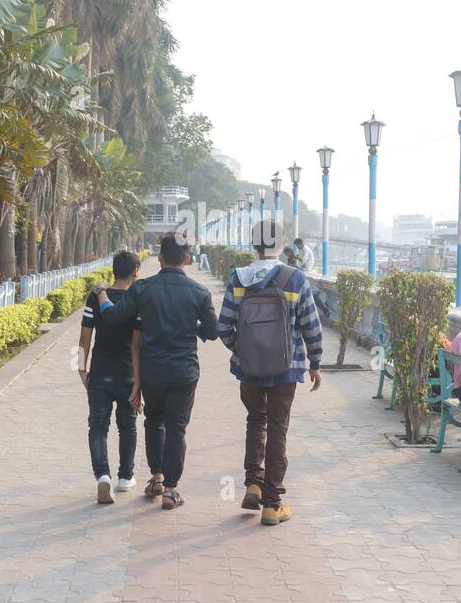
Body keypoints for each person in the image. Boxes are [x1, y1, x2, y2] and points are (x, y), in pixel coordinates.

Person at [94, 232, 218, 510]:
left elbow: (113, 316)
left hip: (153, 371)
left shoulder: (143, 289)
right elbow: (212, 332)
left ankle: (157, 478)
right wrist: (190, 325)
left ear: (160, 258)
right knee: (177, 428)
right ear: (187, 259)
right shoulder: (200, 292)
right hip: (184, 372)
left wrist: (101, 294)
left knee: (153, 421)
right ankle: (171, 491)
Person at [217, 219, 323, 527]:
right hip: (286, 369)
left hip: (248, 370)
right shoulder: (295, 278)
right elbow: (311, 326)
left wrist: (244, 349)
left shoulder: (238, 278)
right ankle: (272, 504)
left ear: (254, 244)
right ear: (282, 244)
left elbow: (223, 326)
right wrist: (315, 363)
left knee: (255, 421)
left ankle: (253, 483)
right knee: (278, 430)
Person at [79, 250, 142, 504]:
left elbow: (84, 337)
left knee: (98, 427)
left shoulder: (95, 297)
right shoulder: (137, 300)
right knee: (127, 426)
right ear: (136, 271)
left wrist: (82, 369)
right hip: (128, 373)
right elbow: (139, 344)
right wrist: (140, 381)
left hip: (100, 372)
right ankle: (125, 478)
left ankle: (102, 476)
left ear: (114, 270)